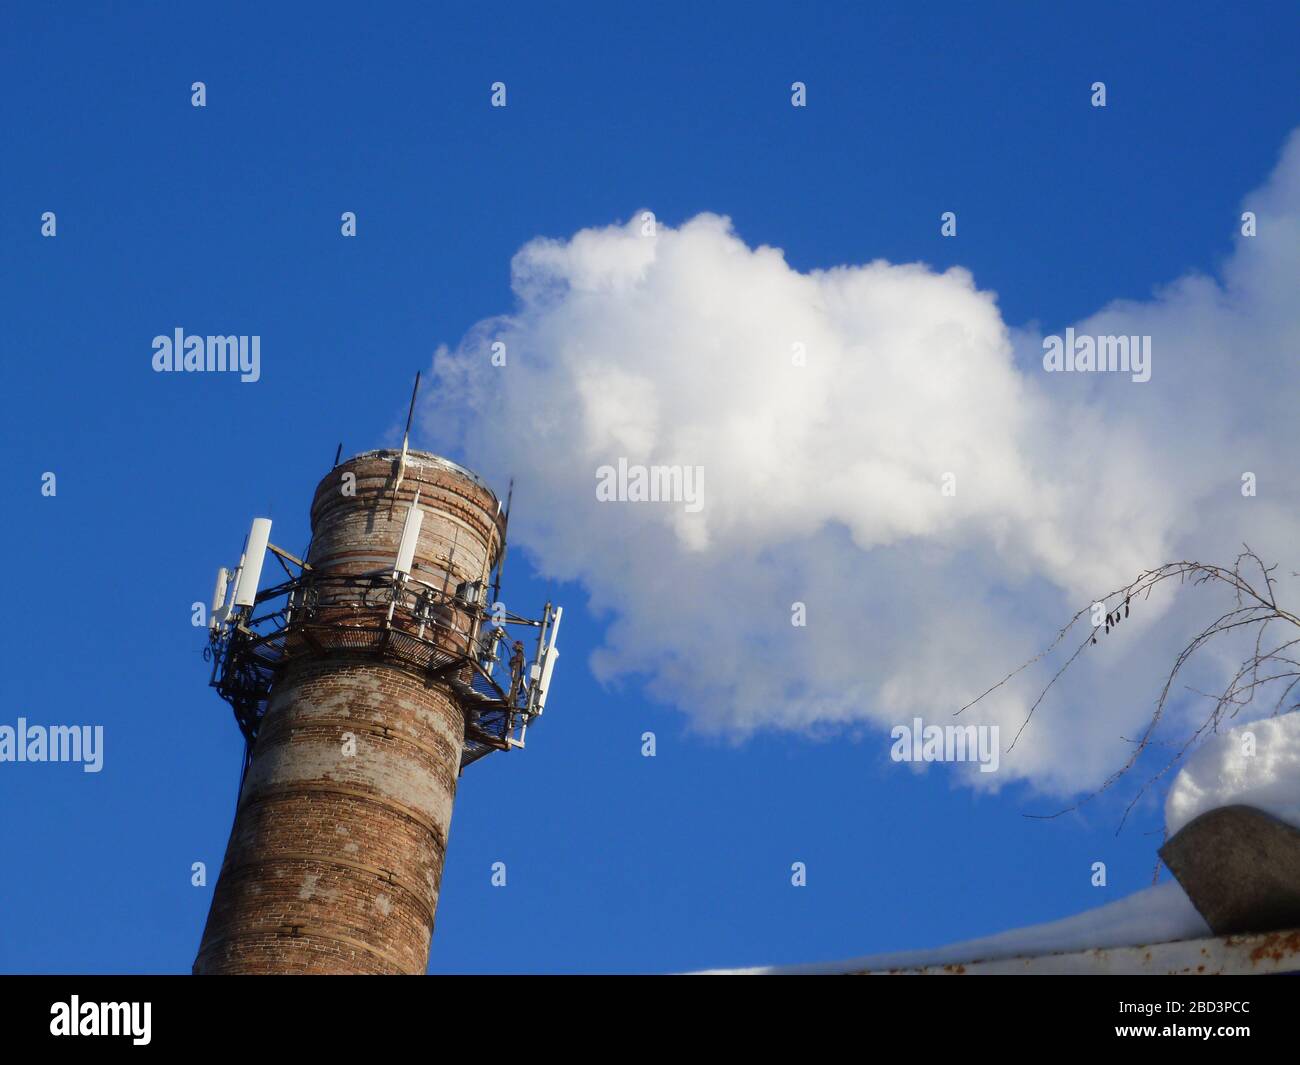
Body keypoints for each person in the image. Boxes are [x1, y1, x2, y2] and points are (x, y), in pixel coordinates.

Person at [508, 640, 527, 705]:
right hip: (516, 675)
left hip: (519, 676)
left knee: (517, 686)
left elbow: (521, 666)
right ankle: (515, 698)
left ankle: (516, 699)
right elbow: (511, 663)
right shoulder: (517, 656)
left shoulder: (521, 656)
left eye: (515, 645)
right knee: (515, 685)